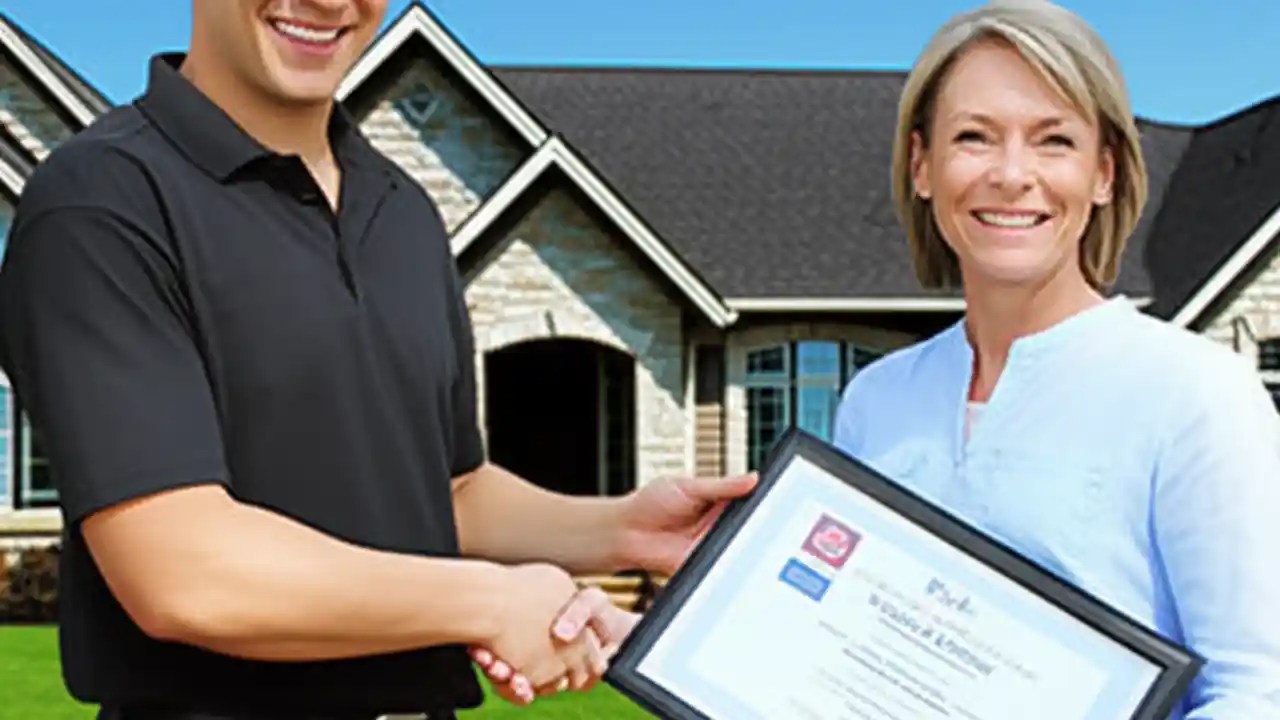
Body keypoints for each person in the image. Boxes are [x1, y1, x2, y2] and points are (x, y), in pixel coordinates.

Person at [0, 1, 753, 718]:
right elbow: (184, 570)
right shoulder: (102, 204)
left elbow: (447, 491)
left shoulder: (402, 212)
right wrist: (487, 602)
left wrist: (622, 530)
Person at [827, 1, 1280, 718]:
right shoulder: (876, 401)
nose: (1012, 175)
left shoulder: (1197, 395)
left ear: (1103, 174)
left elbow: (1258, 691)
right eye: (973, 137)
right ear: (922, 166)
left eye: (1053, 141)